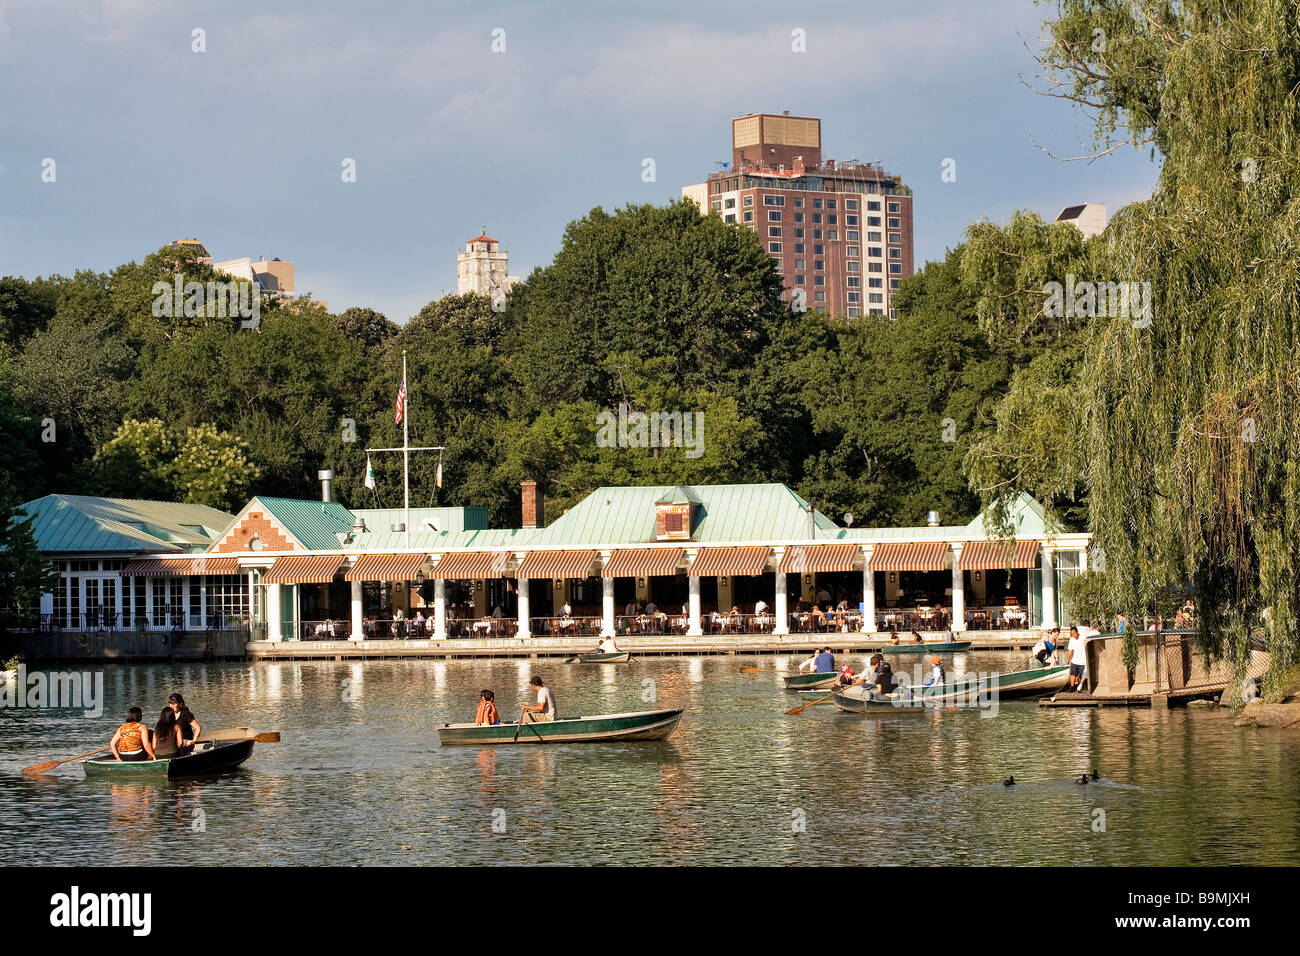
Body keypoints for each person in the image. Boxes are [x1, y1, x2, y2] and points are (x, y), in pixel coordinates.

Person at [1065, 625, 1087, 692]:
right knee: (1073, 674)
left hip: (1083, 661)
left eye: (1074, 633)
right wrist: (1068, 660)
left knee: (1083, 674)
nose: (1073, 635)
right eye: (1072, 634)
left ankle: (1082, 685)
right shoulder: (1072, 640)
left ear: (1077, 632)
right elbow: (1070, 651)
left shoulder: (1083, 638)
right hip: (1074, 660)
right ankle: (1072, 687)